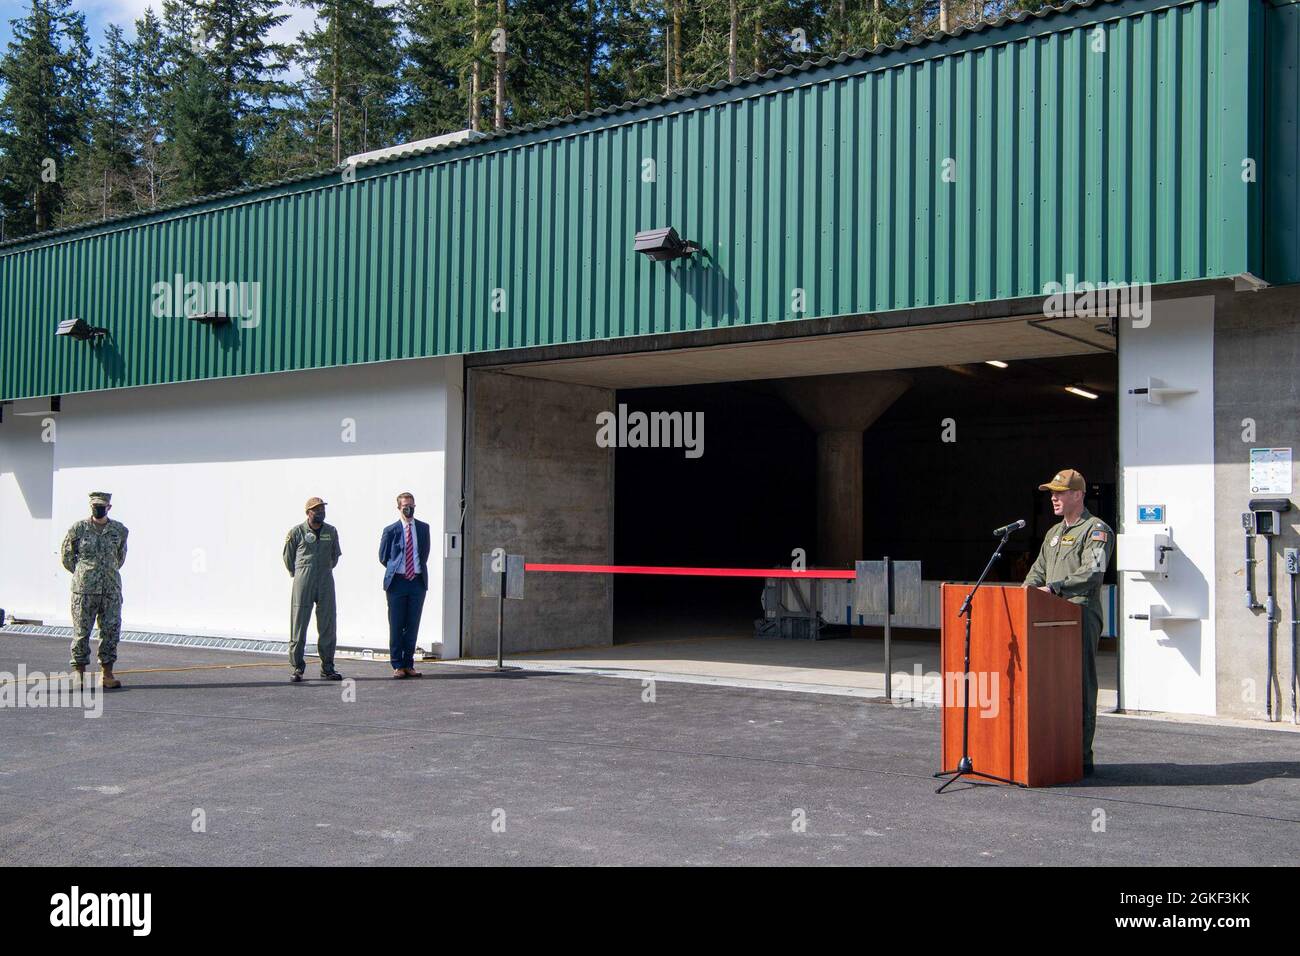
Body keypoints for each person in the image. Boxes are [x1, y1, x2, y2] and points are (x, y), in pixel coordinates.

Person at [1023, 469, 1114, 775]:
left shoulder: (1097, 530)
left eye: (1060, 493)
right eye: (1052, 493)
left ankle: (1081, 756)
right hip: (1046, 618)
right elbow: (1038, 570)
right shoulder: (1053, 534)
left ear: (1078, 495)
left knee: (1080, 685)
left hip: (1079, 615)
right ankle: (1054, 751)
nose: (1054, 498)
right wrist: (1027, 591)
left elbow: (1092, 573)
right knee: (1050, 684)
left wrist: (1054, 588)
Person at [60, 492, 128, 688]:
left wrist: (105, 573)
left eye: (102, 505)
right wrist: (84, 573)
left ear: (109, 507)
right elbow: (67, 557)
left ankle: (107, 674)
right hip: (84, 591)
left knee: (111, 631)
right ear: (91, 506)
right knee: (81, 632)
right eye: (95, 505)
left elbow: (120, 558)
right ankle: (78, 673)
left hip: (110, 590)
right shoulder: (78, 529)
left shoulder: (119, 531)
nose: (98, 508)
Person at [283, 497, 343, 683]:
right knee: (299, 624)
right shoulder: (297, 532)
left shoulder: (331, 531)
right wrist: (301, 571)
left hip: (325, 579)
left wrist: (323, 569)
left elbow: (335, 556)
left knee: (327, 624)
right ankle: (297, 667)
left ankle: (327, 668)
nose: (321, 513)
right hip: (304, 579)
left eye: (322, 509)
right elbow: (288, 557)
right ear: (308, 512)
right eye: (316, 510)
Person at [378, 492, 431, 678]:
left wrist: (414, 571)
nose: (409, 509)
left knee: (412, 624)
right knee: (396, 623)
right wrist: (398, 569)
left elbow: (424, 554)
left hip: (417, 581)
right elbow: (383, 557)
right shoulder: (390, 530)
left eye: (411, 506)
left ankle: (409, 663)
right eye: (405, 507)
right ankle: (397, 665)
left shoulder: (424, 528)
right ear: (399, 508)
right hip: (397, 582)